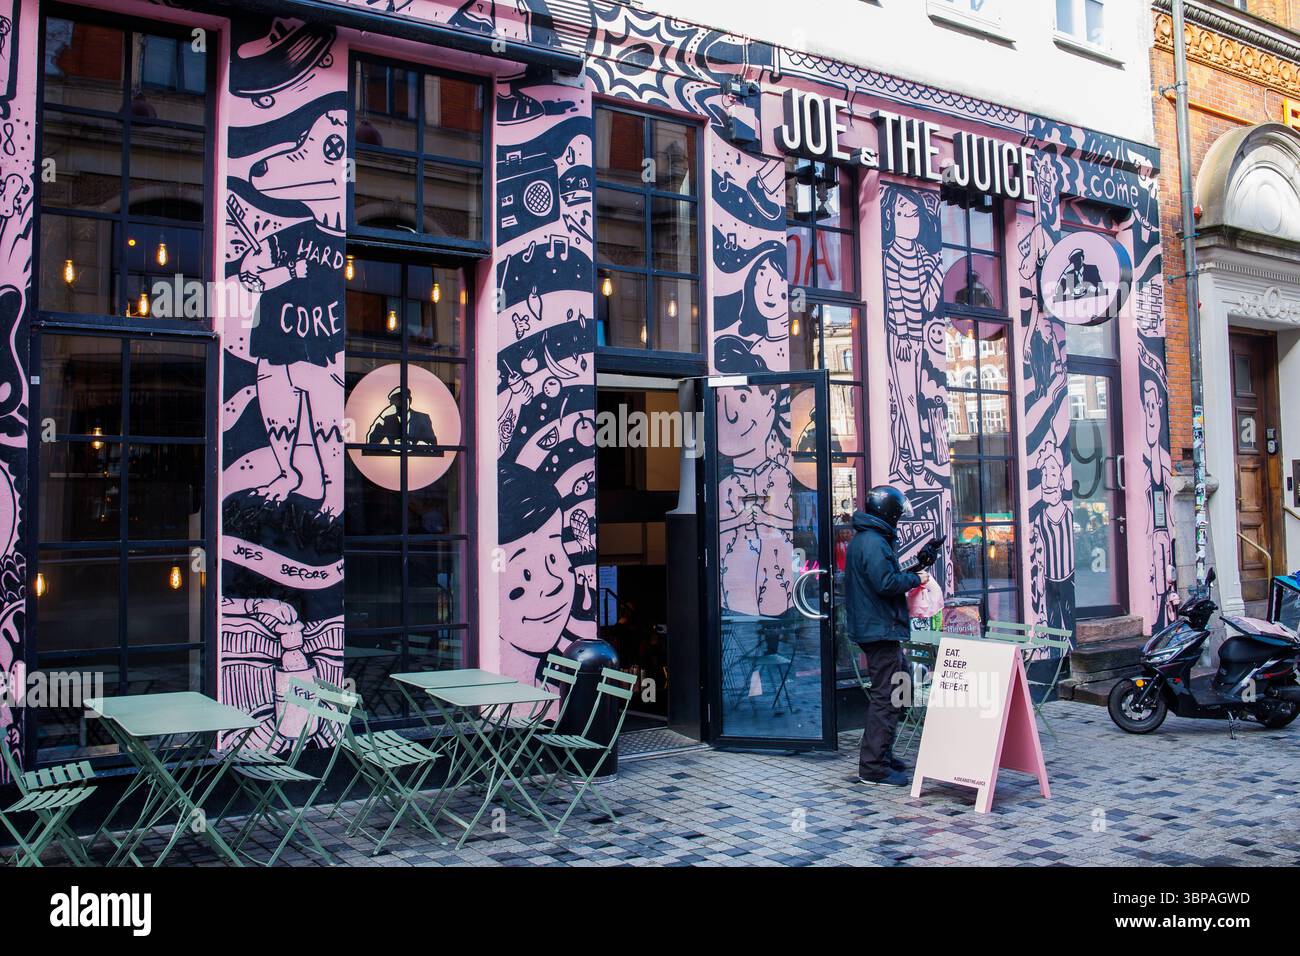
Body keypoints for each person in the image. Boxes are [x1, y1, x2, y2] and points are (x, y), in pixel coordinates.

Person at [845, 485, 930, 786]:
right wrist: (916, 577)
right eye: (898, 513)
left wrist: (920, 563)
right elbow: (886, 583)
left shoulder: (868, 540)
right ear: (890, 513)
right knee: (889, 695)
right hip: (880, 629)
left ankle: (881, 753)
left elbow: (883, 579)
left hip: (877, 628)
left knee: (899, 687)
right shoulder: (875, 542)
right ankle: (873, 767)